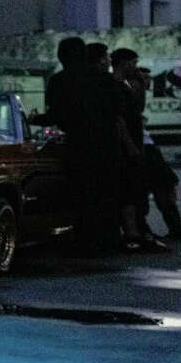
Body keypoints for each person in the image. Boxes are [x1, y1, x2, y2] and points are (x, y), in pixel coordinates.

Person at [45, 35, 132, 254]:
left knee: (82, 195)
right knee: (108, 194)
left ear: (62, 56)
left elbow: (57, 115)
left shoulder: (58, 81)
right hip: (107, 144)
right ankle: (110, 239)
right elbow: (119, 111)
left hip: (78, 145)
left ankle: (86, 239)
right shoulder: (104, 79)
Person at [112, 47, 181, 242]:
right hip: (138, 144)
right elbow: (128, 114)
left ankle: (172, 227)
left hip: (142, 142)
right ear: (125, 63)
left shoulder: (127, 85)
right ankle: (147, 230)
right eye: (133, 63)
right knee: (145, 188)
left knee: (164, 183)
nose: (135, 67)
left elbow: (135, 112)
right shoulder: (121, 86)